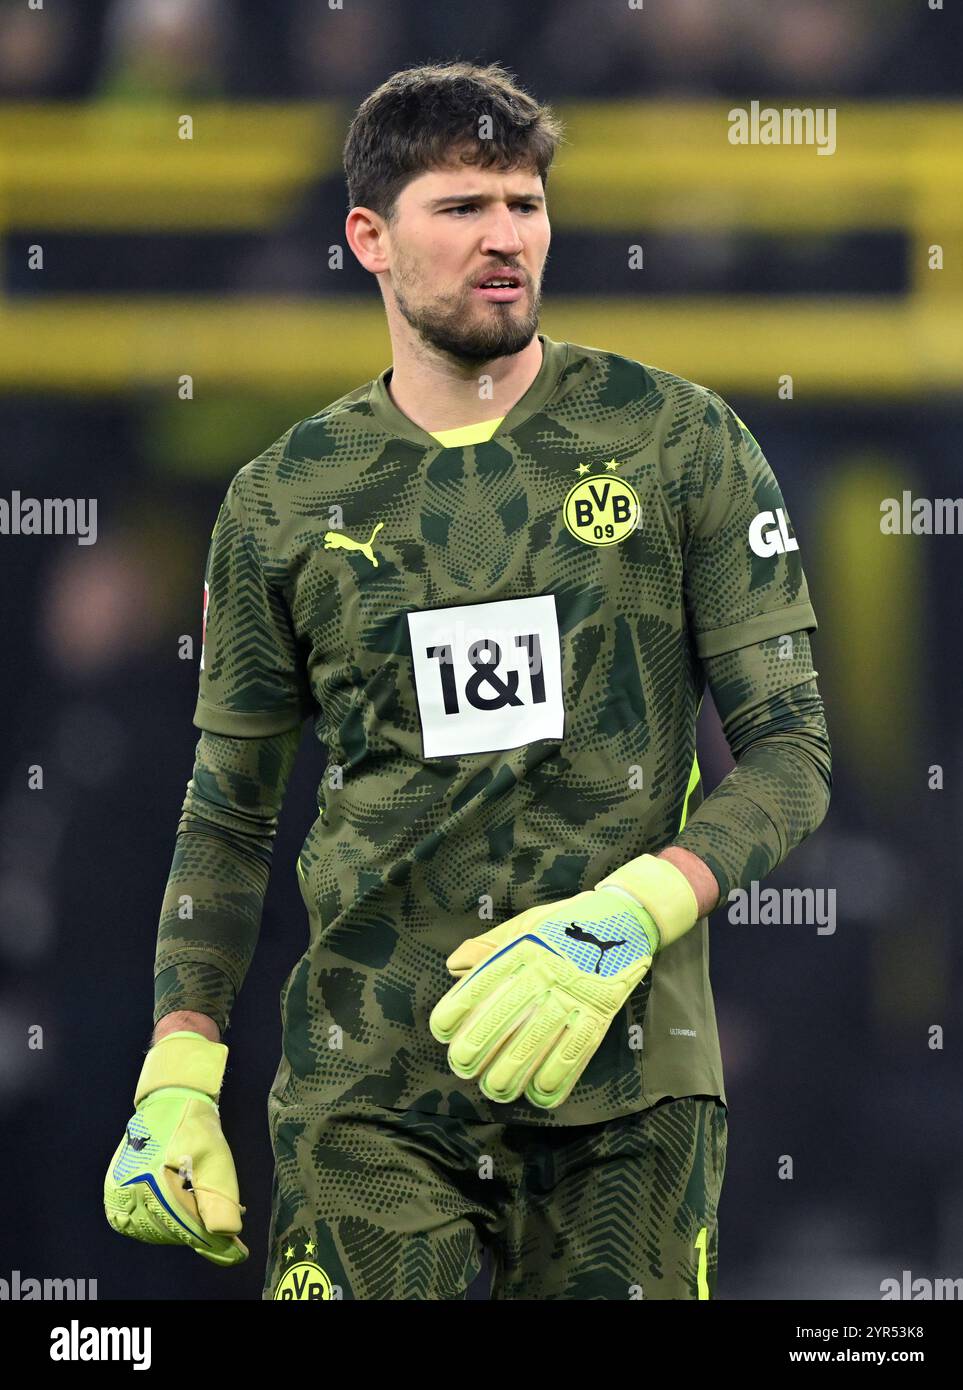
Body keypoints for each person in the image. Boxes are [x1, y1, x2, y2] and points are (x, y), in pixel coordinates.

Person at [104, 60, 831, 1300]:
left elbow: (792, 757)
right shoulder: (281, 500)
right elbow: (227, 814)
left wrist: (635, 910)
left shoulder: (679, 442)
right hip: (368, 1086)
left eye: (524, 204)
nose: (505, 236)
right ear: (369, 239)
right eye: (462, 206)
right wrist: (179, 1067)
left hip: (628, 1077)